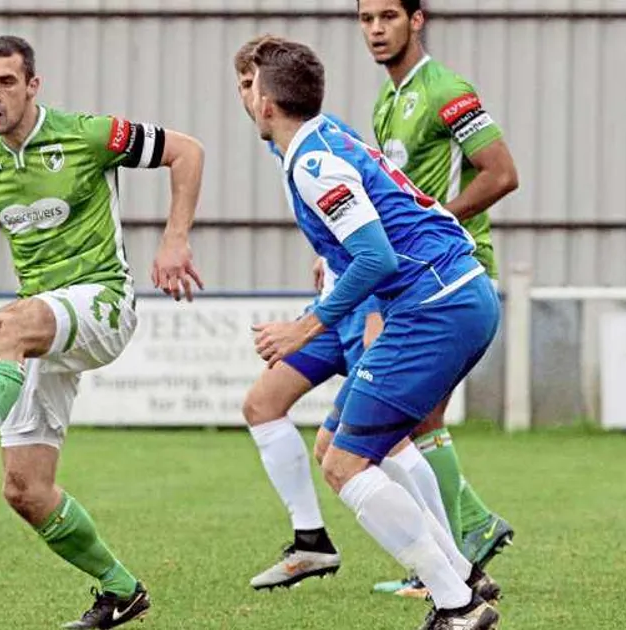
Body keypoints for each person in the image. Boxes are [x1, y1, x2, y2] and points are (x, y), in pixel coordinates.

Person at [0, 35, 206, 630]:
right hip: (44, 327)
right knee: (26, 490)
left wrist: (175, 238)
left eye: (6, 82)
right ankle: (120, 590)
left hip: (103, 302)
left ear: (33, 86)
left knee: (3, 324)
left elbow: (187, 151)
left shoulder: (88, 134)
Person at [246, 38, 501, 629]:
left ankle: (456, 606)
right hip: (455, 296)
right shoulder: (322, 136)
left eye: (250, 86)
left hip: (435, 306)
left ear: (264, 103)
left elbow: (376, 259)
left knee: (344, 465)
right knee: (336, 444)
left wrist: (303, 327)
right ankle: (460, 576)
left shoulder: (315, 163)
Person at [357, 0, 520, 596]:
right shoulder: (384, 102)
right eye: (367, 18)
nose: (376, 29)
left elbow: (500, 173)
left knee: (405, 415)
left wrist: (438, 221)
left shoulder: (447, 89)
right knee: (417, 416)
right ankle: (462, 537)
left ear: (417, 19)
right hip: (413, 275)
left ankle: (461, 544)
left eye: (388, 17)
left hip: (452, 271)